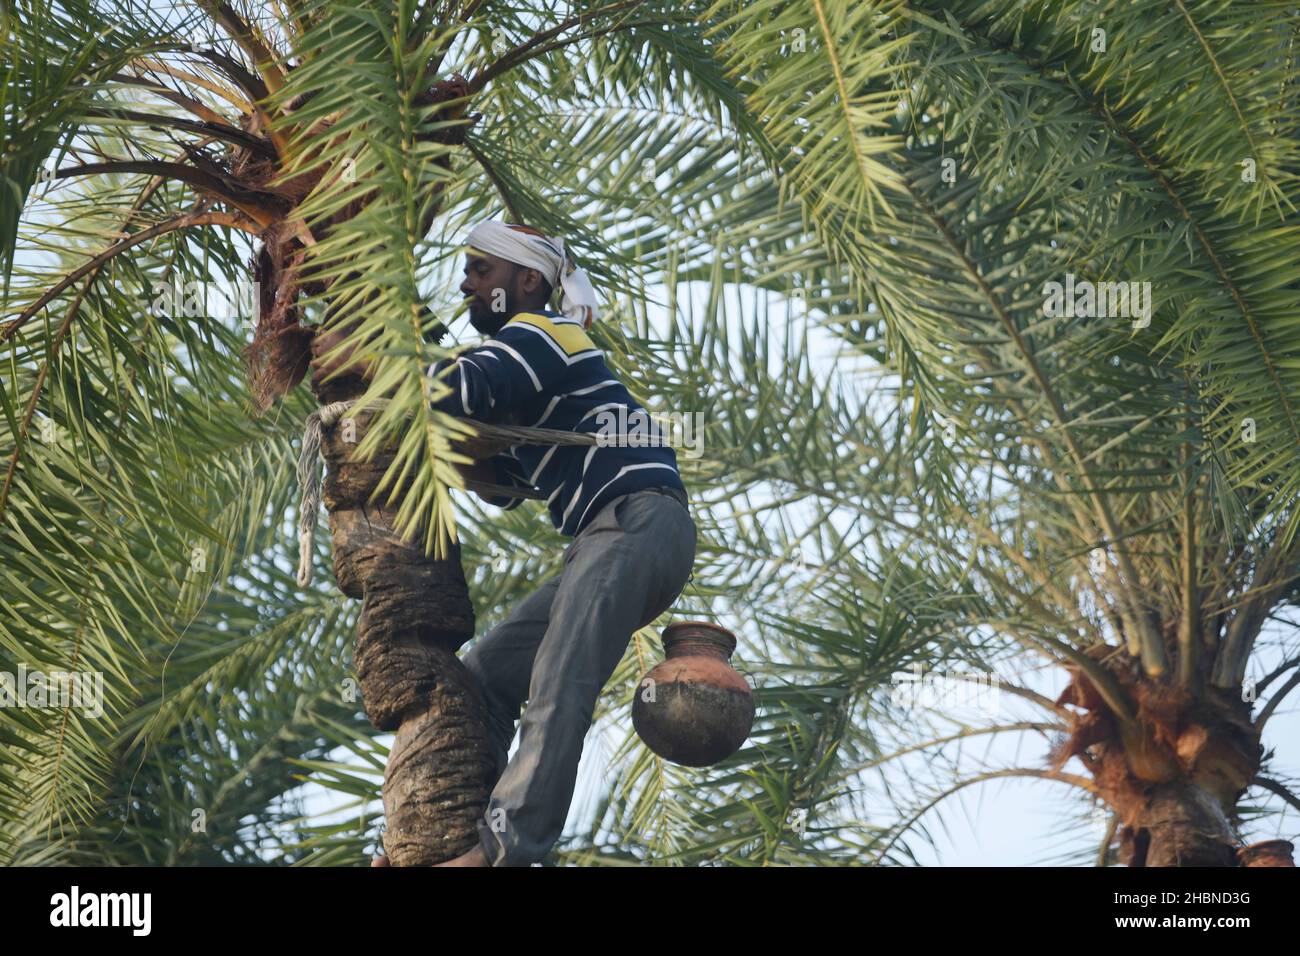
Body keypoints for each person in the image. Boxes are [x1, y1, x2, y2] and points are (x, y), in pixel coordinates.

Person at [315, 221, 696, 866]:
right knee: (485, 677)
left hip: (635, 521)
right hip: (605, 540)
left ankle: (504, 854)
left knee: (559, 684)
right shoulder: (533, 382)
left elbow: (463, 389)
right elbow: (499, 480)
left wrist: (386, 356)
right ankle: (449, 828)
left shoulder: (544, 335)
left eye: (480, 271)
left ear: (527, 281)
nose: (466, 283)